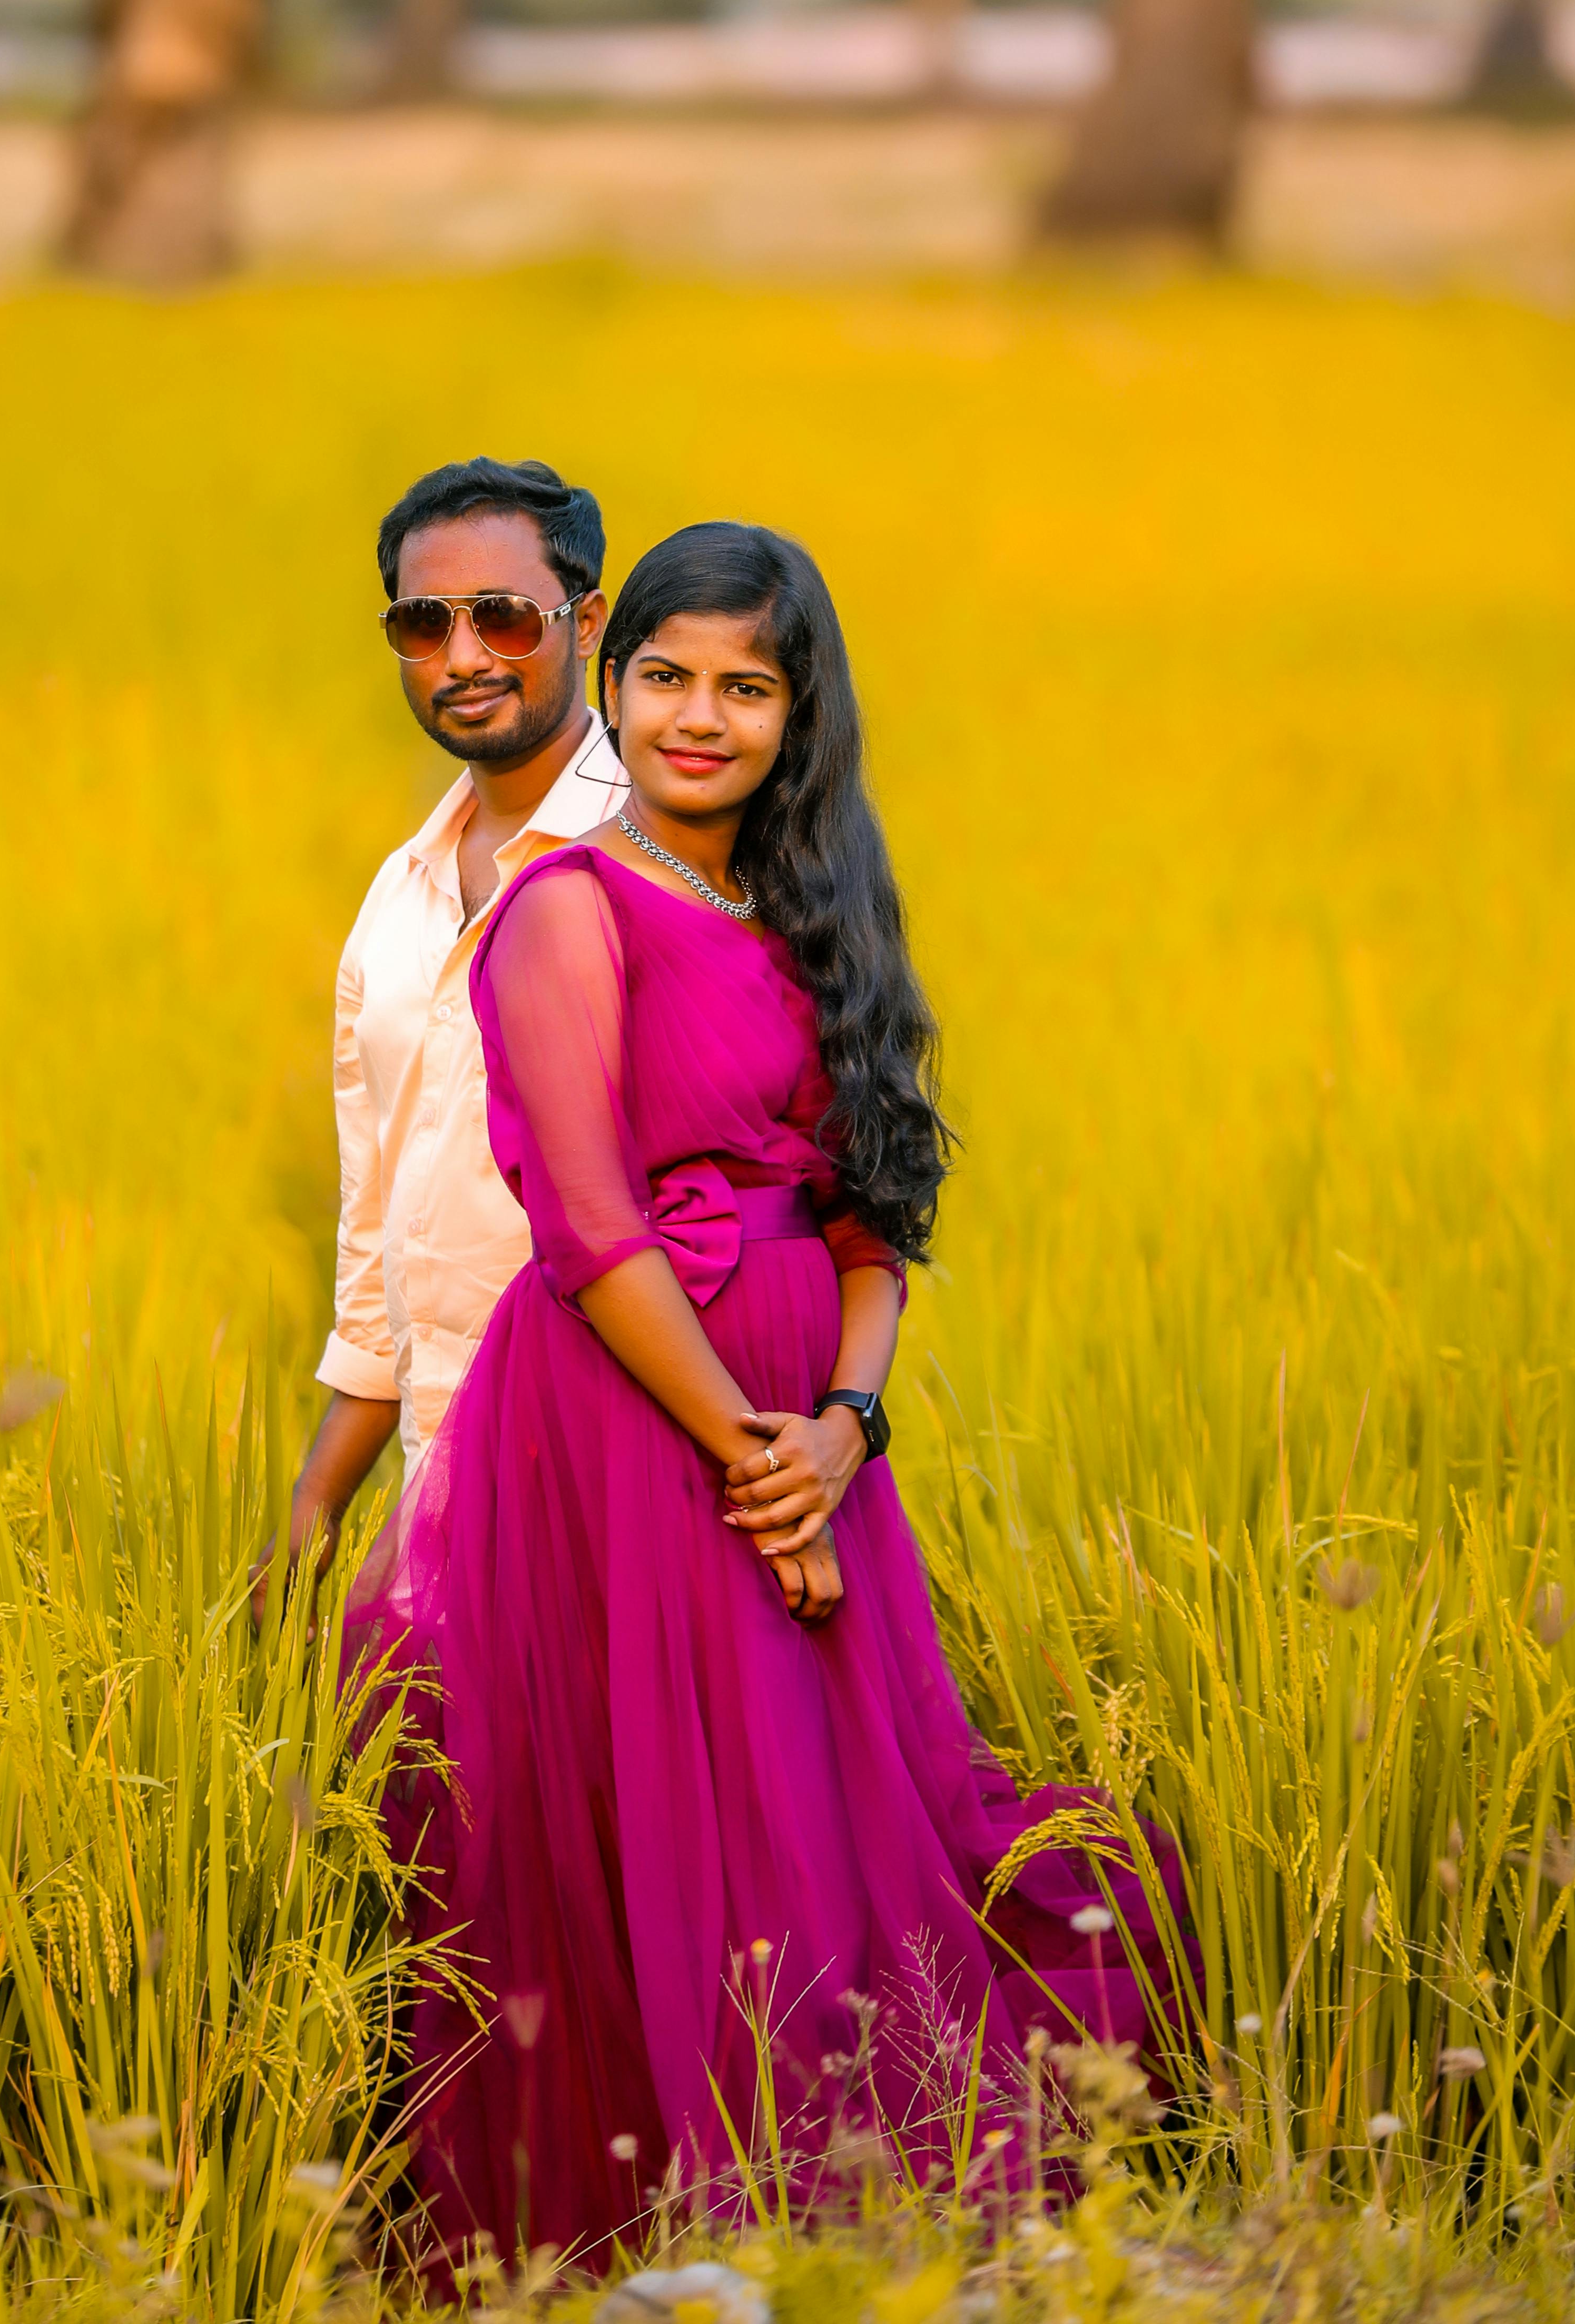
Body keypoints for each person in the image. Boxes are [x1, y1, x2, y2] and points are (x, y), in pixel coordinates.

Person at [348, 521, 1187, 2268]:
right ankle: (690, 2220)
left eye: (747, 685)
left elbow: (876, 1223)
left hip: (805, 1440)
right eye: (666, 677)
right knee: (691, 1816)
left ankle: (848, 2221)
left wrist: (840, 1435)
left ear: (800, 715)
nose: (700, 717)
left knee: (828, 1808)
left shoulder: (815, 920)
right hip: (629, 1426)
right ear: (617, 684)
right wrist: (753, 1466)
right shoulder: (567, 909)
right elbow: (586, 1228)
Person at [286, 457, 628, 1568]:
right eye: (423, 624)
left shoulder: (662, 861)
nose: (465, 656)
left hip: (629, 1478)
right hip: (448, 1490)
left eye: (504, 619)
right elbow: (380, 1239)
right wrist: (314, 1516)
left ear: (585, 621)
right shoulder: (397, 900)